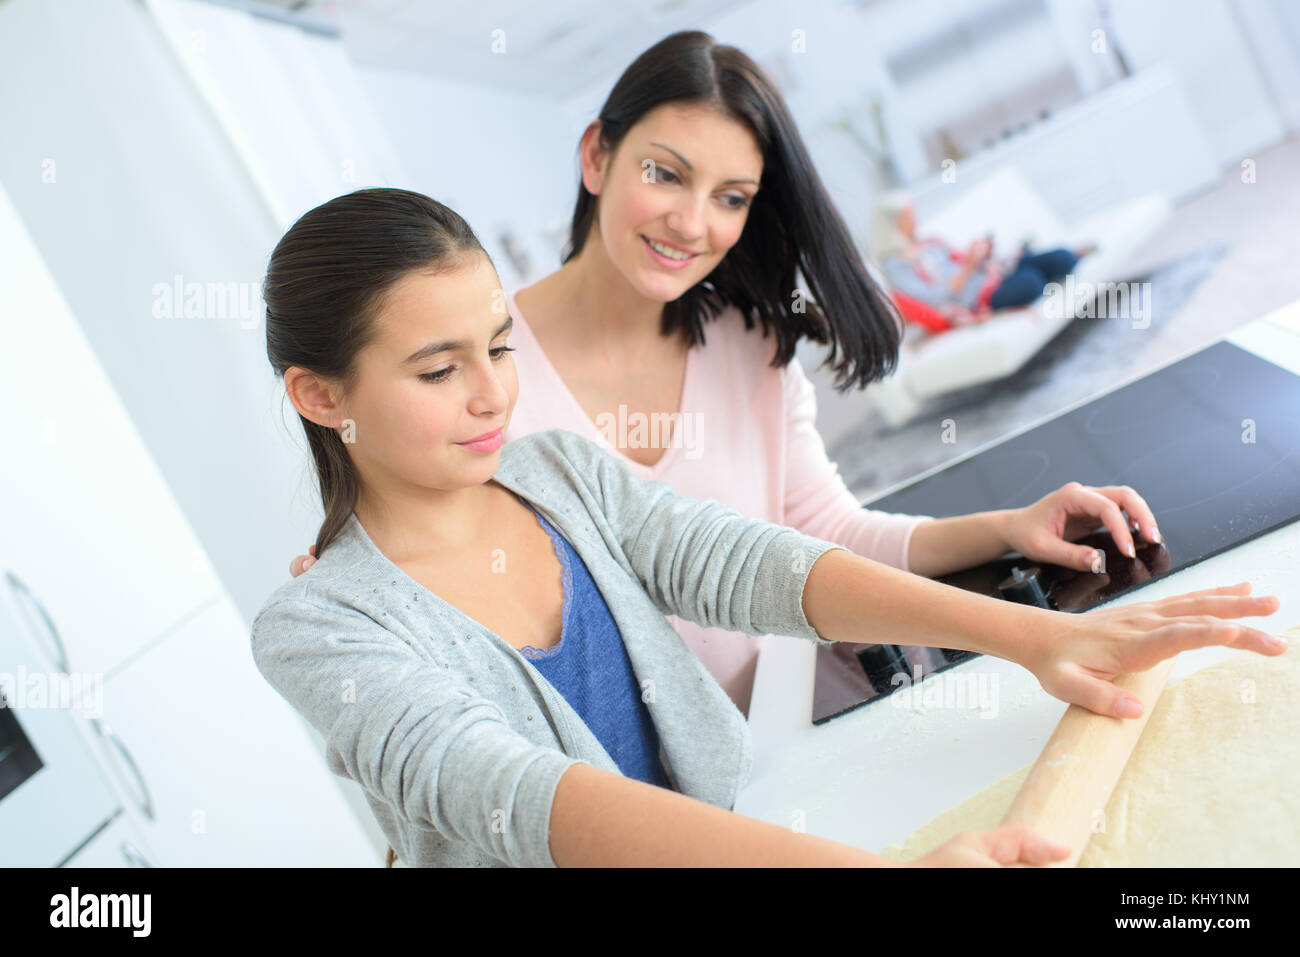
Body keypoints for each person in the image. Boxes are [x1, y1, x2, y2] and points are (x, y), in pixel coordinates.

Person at [253, 186, 1284, 867]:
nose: (491, 396)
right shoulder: (321, 627)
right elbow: (523, 796)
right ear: (317, 392)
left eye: (497, 347)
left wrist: (1040, 638)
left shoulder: (550, 471)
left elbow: (742, 562)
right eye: (439, 370)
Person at [286, 32, 1159, 718]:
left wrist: (1007, 525)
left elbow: (823, 530)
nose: (691, 222)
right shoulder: (483, 385)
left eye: (732, 196)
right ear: (597, 157)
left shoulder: (745, 338)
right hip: (679, 787)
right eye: (665, 174)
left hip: (830, 704)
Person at [870, 188, 1097, 326]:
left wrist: (980, 254)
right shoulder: (896, 266)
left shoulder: (930, 243)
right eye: (908, 218)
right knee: (1031, 282)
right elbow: (935, 299)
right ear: (892, 226)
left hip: (993, 272)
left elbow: (961, 260)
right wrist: (969, 266)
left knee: (1062, 257)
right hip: (980, 296)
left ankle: (1048, 264)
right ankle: (1036, 271)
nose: (915, 222)